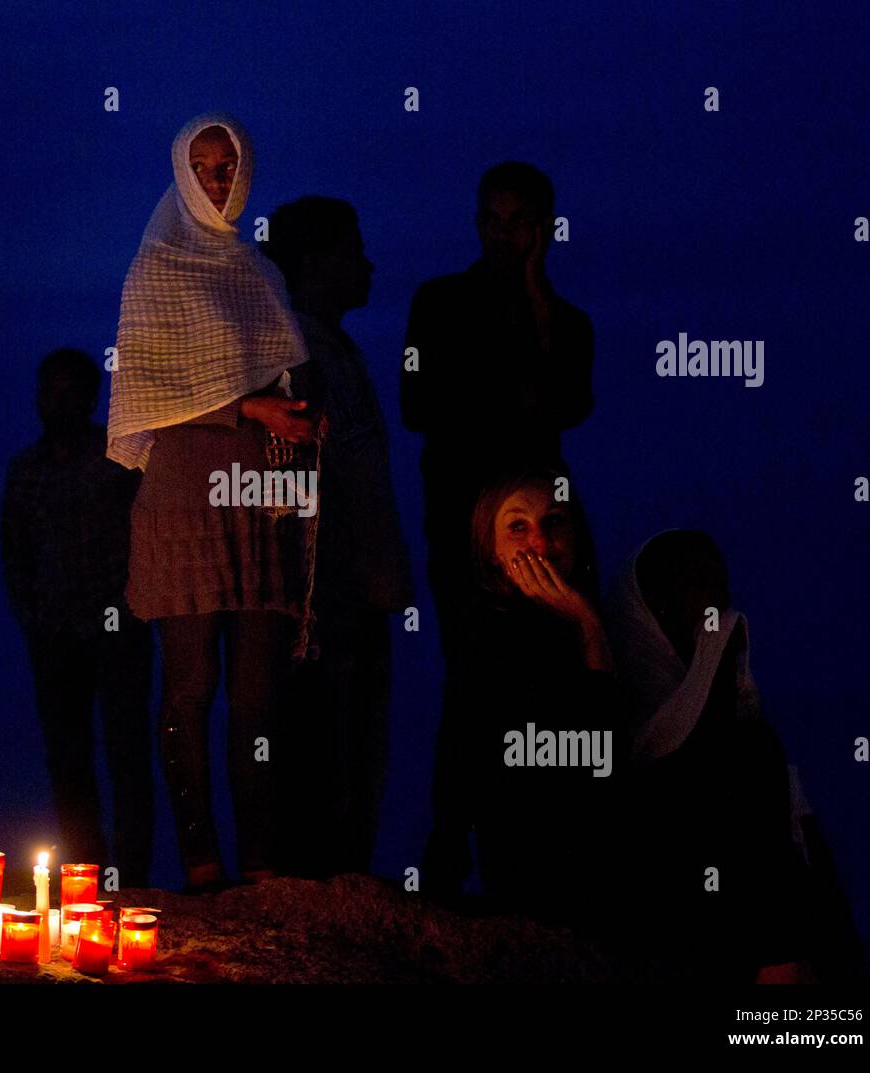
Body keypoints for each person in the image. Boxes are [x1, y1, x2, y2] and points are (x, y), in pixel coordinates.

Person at [108, 112, 320, 892]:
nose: (217, 179)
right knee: (192, 684)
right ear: (180, 173)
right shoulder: (154, 269)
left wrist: (294, 413)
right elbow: (143, 397)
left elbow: (281, 376)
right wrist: (248, 409)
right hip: (183, 503)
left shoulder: (259, 274)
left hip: (261, 499)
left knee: (259, 689)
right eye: (202, 166)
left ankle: (260, 861)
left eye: (227, 165)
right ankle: (201, 861)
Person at [401, 163, 596, 823]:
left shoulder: (566, 318)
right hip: (461, 521)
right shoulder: (439, 302)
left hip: (544, 520)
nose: (503, 234)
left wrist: (536, 289)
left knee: (550, 667)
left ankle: (544, 841)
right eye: (492, 219)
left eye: (518, 222)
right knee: (473, 675)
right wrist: (512, 403)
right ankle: (453, 853)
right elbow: (417, 404)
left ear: (543, 227)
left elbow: (570, 402)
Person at [605, 530, 861, 983]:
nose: (713, 606)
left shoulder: (753, 744)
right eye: (690, 585)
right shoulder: (615, 736)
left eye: (717, 585)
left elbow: (820, 900)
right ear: (648, 613)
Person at [261, 196, 414, 877]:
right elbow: (290, 484)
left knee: (357, 753)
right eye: (355, 248)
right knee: (330, 755)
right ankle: (322, 897)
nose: (370, 263)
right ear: (317, 261)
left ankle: (341, 889)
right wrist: (315, 594)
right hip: (325, 599)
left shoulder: (334, 348)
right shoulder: (293, 350)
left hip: (354, 589)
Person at [424, 466, 625, 936]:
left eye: (555, 522)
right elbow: (463, 765)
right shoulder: (489, 642)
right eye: (518, 526)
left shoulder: (604, 625)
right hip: (539, 882)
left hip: (605, 871)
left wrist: (588, 627)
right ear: (492, 553)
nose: (540, 542)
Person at [0, 348, 153, 885]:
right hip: (55, 636)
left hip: (117, 631)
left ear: (91, 398)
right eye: (49, 390)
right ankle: (85, 876)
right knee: (68, 759)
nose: (57, 401)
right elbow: (13, 549)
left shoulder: (118, 461)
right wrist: (33, 615)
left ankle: (135, 881)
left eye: (69, 391)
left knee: (127, 751)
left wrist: (131, 607)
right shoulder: (25, 471)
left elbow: (143, 535)